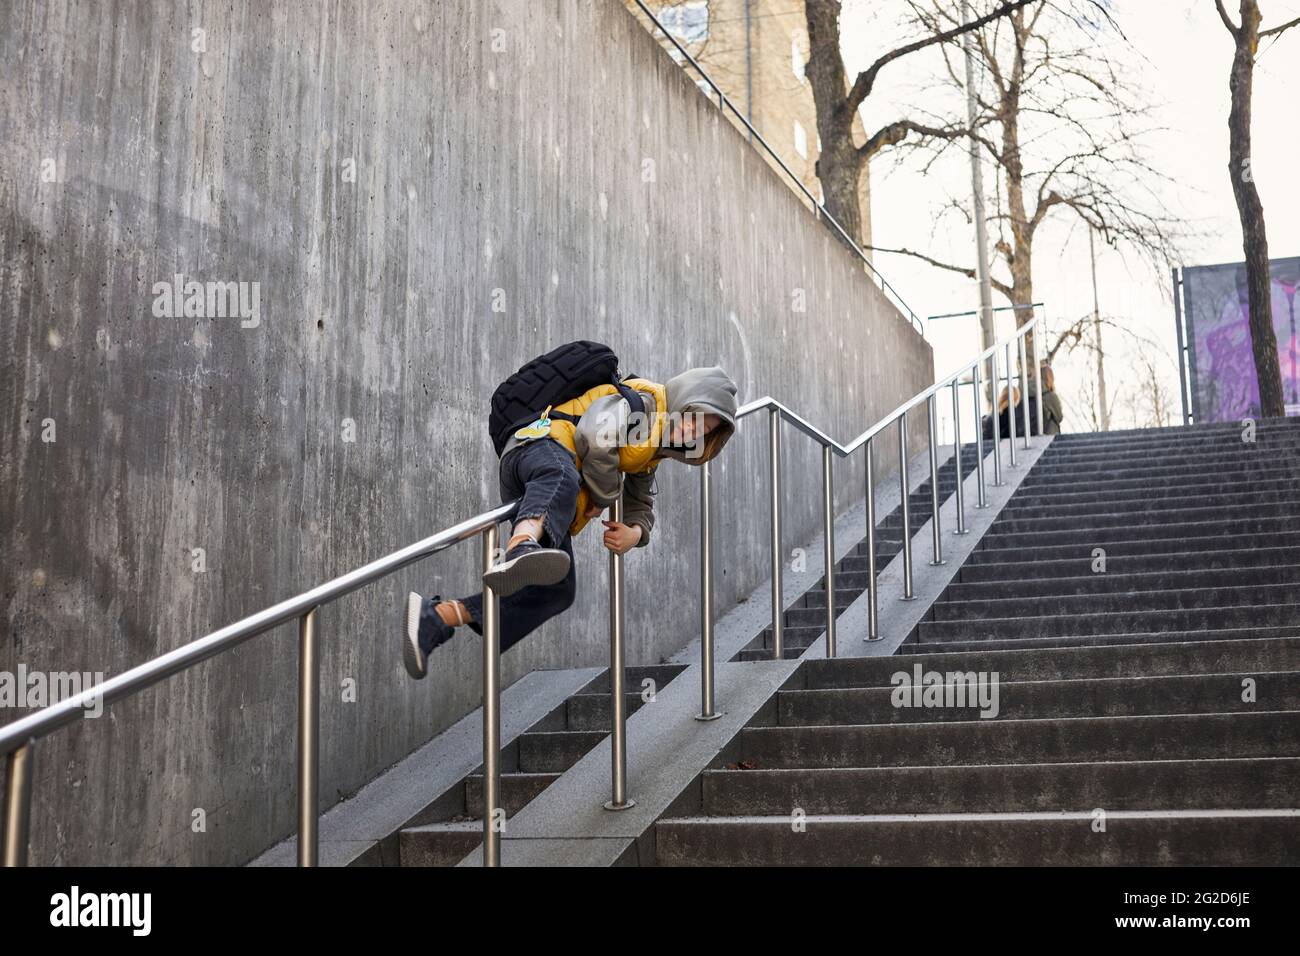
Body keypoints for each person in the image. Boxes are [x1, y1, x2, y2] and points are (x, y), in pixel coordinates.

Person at [401, 364, 739, 679]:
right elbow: (593, 435)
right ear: (685, 399)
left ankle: (437, 617)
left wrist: (635, 533)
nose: (692, 430)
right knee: (562, 473)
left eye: (704, 431)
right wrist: (602, 495)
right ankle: (520, 548)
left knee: (558, 591)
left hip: (550, 500)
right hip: (536, 446)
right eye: (695, 417)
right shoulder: (646, 404)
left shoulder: (653, 453)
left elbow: (640, 502)